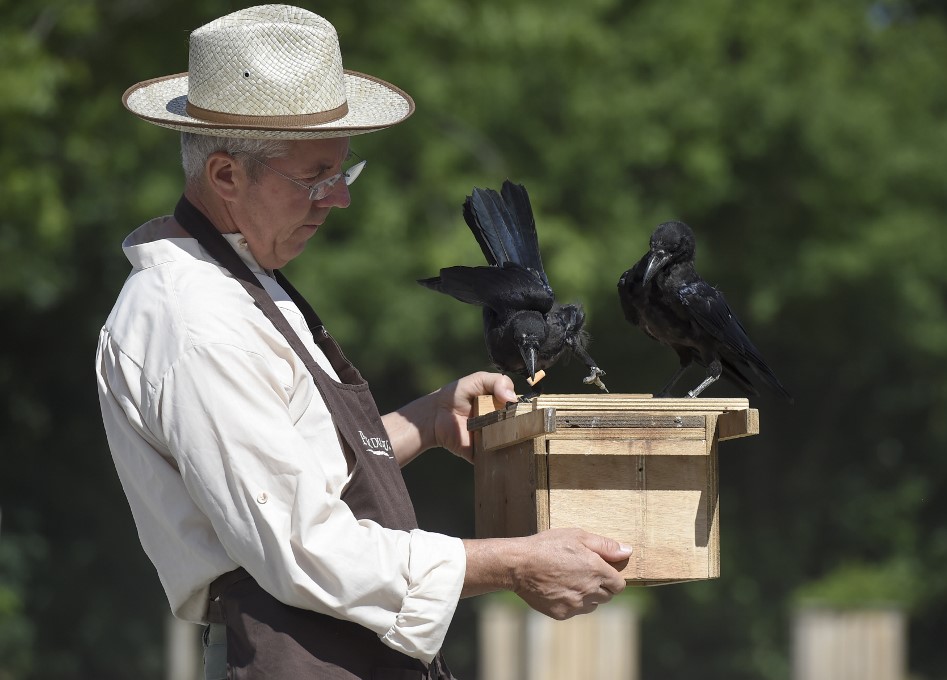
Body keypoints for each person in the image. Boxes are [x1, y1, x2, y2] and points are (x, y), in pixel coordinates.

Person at [95, 5, 632, 679]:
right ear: (227, 175)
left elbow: (294, 476)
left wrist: (425, 421)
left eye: (343, 174)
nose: (338, 199)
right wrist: (515, 562)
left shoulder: (242, 283)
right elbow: (303, 547)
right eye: (316, 178)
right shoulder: (198, 322)